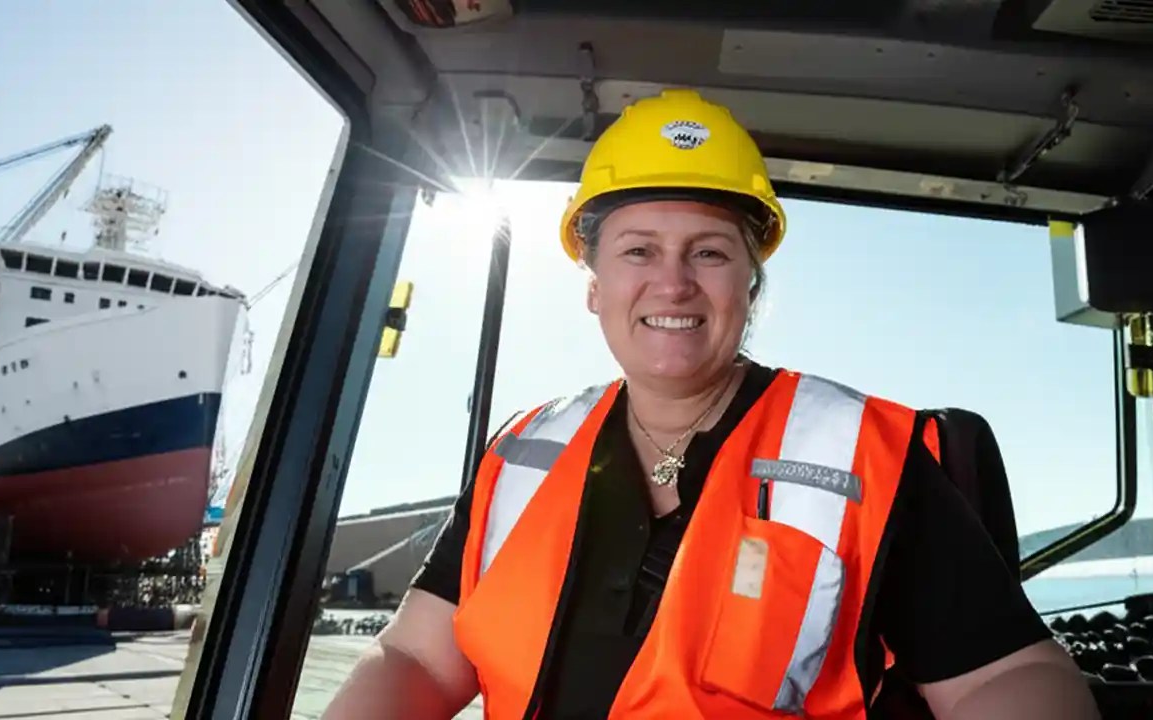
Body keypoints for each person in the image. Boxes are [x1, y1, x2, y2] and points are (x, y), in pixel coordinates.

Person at [323, 89, 1098, 719]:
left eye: (710, 251)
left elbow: (1007, 677)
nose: (673, 283)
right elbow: (418, 656)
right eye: (638, 250)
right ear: (595, 288)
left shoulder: (866, 456)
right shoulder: (522, 452)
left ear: (750, 286)